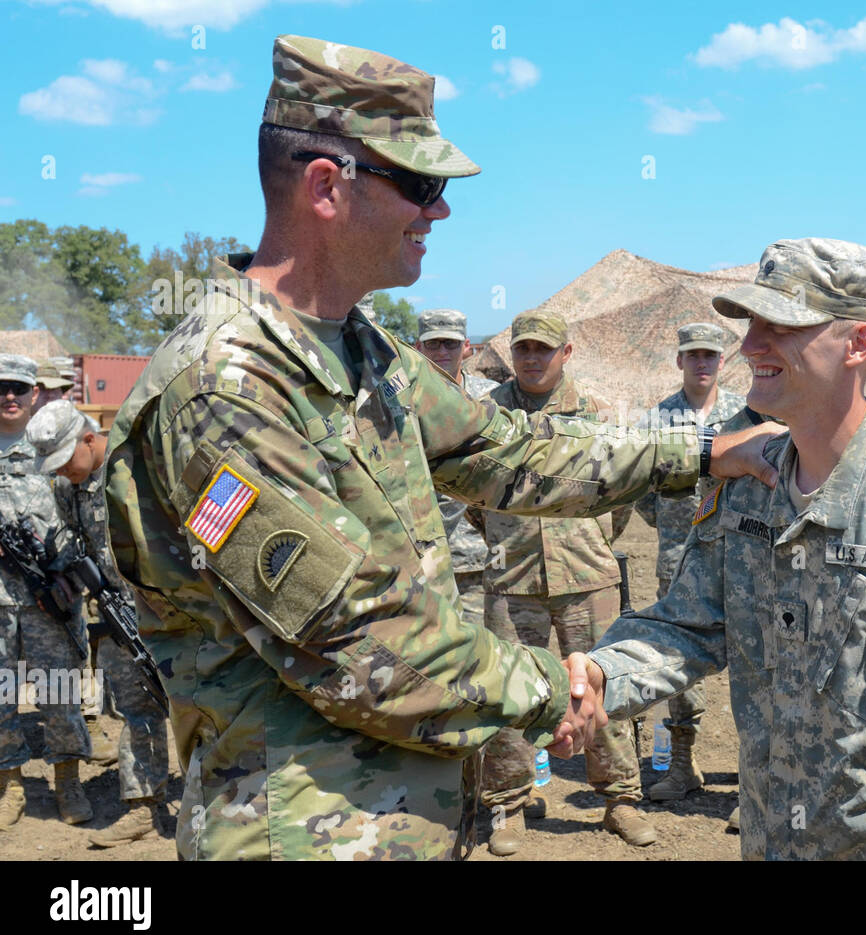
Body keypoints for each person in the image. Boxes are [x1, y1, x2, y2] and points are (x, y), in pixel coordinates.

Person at [102, 34, 777, 862]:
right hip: (300, 834)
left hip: (403, 817)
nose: (441, 212)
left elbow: (511, 454)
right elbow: (356, 639)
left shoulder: (363, 351)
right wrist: (557, 689)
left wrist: (705, 456)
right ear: (326, 186)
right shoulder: (225, 389)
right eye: (420, 185)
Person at [557, 238, 866, 860]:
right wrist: (605, 675)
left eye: (781, 326)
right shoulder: (750, 482)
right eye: (751, 324)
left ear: (858, 343)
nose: (749, 346)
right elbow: (692, 622)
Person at [472, 309, 653, 855]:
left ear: (565, 353)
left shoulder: (597, 413)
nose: (532, 358)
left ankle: (620, 801)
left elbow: (621, 493)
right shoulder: (487, 414)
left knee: (605, 689)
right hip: (512, 577)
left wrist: (591, 538)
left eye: (543, 349)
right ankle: (508, 805)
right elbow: (474, 498)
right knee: (509, 695)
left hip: (587, 576)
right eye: (523, 348)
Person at [27, 399, 172, 846]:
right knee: (137, 709)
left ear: (89, 439)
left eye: (66, 460)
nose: (61, 472)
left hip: (171, 612)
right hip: (116, 615)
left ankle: (223, 795)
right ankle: (143, 805)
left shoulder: (140, 466)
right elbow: (74, 538)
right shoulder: (69, 485)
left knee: (201, 708)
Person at [633, 321, 748, 805]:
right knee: (680, 663)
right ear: (679, 360)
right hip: (679, 561)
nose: (701, 362)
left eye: (710, 355)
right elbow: (639, 490)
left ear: (722, 361)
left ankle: (754, 777)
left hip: (742, 559)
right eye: (692, 355)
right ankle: (682, 764)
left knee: (751, 663)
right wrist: (672, 527)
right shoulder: (657, 420)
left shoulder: (746, 415)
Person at [0, 355, 93, 828]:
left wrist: (70, 580)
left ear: (35, 393)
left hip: (49, 597)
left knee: (59, 694)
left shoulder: (54, 445)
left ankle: (68, 781)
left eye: (18, 387)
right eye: (1, 388)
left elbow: (84, 521)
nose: (9, 397)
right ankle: (10, 784)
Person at [413, 308, 495, 629]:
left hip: (477, 558)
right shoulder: (399, 398)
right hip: (421, 562)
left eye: (451, 343)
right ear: (417, 348)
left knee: (480, 657)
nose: (443, 352)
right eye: (434, 344)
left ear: (467, 348)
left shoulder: (490, 397)